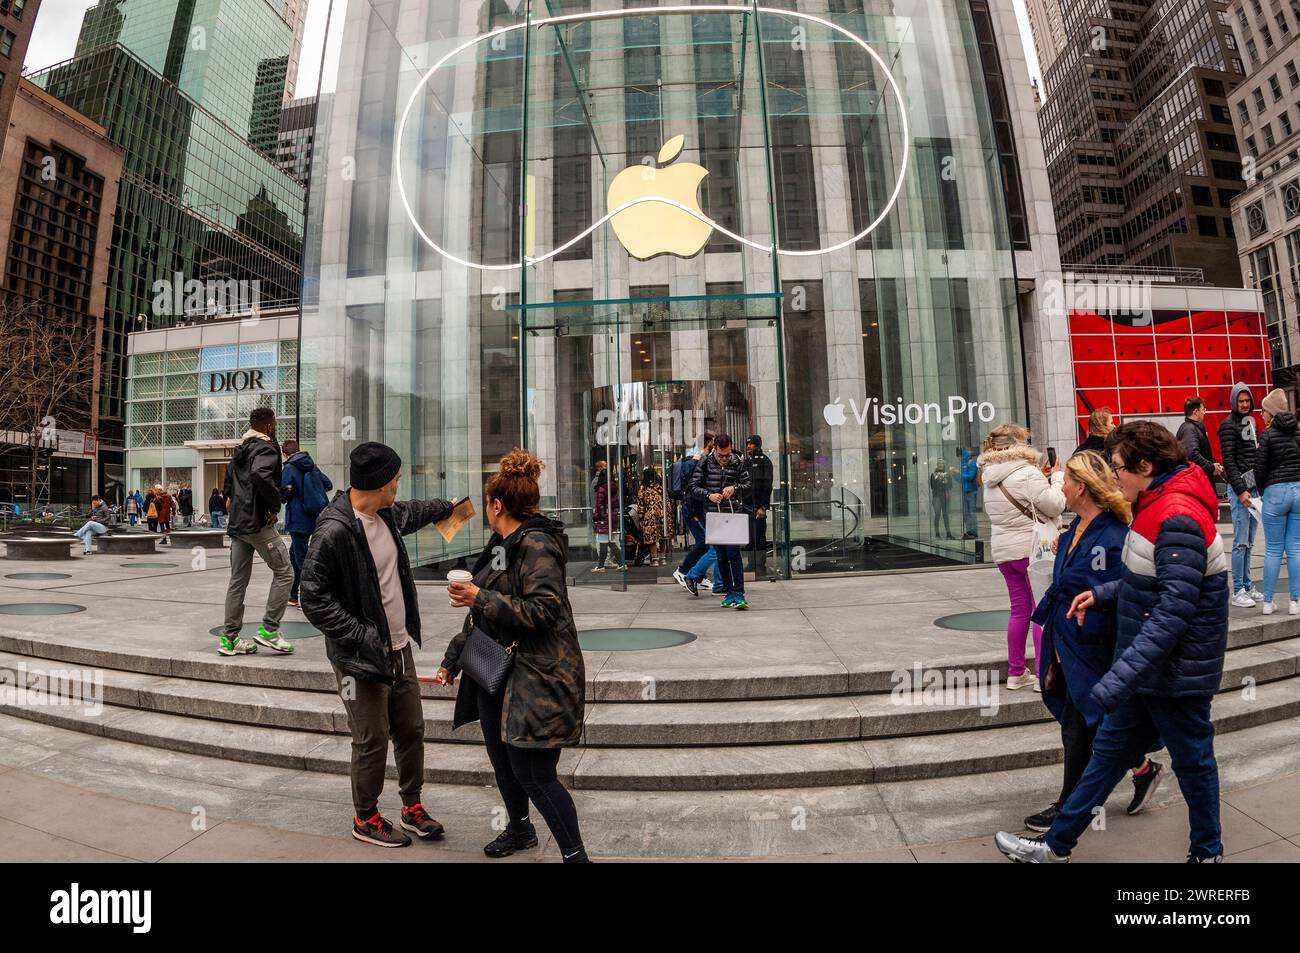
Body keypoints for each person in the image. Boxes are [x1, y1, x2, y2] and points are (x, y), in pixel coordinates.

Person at [996, 421, 1229, 863]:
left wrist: (1117, 677)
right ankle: (1054, 846)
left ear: (1145, 465)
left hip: (1174, 672)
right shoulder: (1157, 504)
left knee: (1194, 762)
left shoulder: (1175, 513)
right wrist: (1103, 593)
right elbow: (1153, 582)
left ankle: (1207, 853)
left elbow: (1173, 609)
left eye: (1118, 466)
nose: (1114, 476)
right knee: (1106, 756)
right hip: (1152, 669)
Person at [434, 450, 589, 863]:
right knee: (503, 761)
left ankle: (576, 856)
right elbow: (485, 618)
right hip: (496, 671)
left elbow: (543, 612)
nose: (485, 511)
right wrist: (453, 660)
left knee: (535, 774)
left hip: (537, 677)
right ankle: (520, 830)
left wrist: (479, 596)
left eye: (486, 505)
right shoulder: (504, 543)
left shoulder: (536, 545)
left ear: (497, 505)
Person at [300, 441, 453, 848]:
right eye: (396, 480)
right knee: (371, 738)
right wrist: (363, 636)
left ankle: (411, 807)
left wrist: (447, 506)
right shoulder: (334, 530)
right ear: (381, 483)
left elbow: (414, 512)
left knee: (411, 730)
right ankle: (365, 817)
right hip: (360, 658)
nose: (399, 486)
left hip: (398, 648)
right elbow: (313, 598)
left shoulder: (385, 513)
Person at [1022, 451, 1164, 833]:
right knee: (1089, 722)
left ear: (1081, 487)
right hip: (1067, 642)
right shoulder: (1073, 531)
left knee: (1080, 725)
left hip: (1095, 646)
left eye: (1066, 480)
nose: (1062, 486)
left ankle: (1069, 808)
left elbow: (1135, 588)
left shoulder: (1116, 535)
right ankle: (1144, 769)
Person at [978, 424, 1066, 690]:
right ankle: (1042, 674)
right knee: (1042, 611)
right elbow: (1054, 504)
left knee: (1019, 611)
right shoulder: (1027, 473)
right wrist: (1058, 478)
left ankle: (1016, 672)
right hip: (1032, 551)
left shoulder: (990, 477)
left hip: (1005, 552)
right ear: (1018, 444)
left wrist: (1041, 476)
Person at [219, 407, 295, 657]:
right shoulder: (265, 447)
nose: (276, 426)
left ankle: (229, 639)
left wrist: (231, 498)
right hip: (257, 522)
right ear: (269, 424)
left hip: (238, 523)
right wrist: (274, 506)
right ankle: (270, 630)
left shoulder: (241, 448)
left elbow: (229, 480)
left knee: (237, 581)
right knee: (285, 572)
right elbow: (260, 475)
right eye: (274, 422)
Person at [688, 433, 753, 609]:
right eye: (721, 455)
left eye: (727, 455)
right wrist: (709, 495)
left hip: (732, 515)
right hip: (713, 516)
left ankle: (739, 593)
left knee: (734, 555)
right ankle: (729, 591)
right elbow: (693, 487)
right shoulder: (705, 462)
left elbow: (748, 485)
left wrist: (735, 487)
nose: (724, 459)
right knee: (721, 556)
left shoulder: (737, 461)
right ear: (714, 448)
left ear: (731, 448)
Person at [1253, 388, 1300, 615]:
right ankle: (1294, 602)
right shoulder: (1298, 432)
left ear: (1271, 412)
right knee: (1295, 548)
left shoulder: (1268, 435)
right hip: (1298, 491)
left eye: (1263, 410)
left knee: (1273, 549)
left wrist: (1263, 492)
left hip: (1276, 491)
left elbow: (1260, 468)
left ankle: (1268, 602)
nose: (1261, 414)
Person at [1219, 382, 1264, 607]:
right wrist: (1241, 491)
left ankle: (1247, 584)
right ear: (1234, 402)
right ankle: (1238, 589)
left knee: (1249, 542)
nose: (1245, 404)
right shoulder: (1228, 425)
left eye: (1247, 401)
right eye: (1241, 401)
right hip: (1241, 490)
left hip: (1253, 487)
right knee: (1240, 543)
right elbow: (1229, 461)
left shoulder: (1252, 422)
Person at [281, 438, 334, 608]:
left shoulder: (289, 467)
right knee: (294, 556)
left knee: (302, 559)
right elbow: (328, 484)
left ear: (285, 453)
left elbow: (285, 493)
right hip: (312, 516)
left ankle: (311, 598)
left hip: (297, 518)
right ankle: (292, 595)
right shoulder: (310, 465)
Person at [672, 436, 721, 596]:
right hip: (695, 509)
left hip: (698, 509)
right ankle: (687, 572)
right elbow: (692, 488)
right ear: (709, 444)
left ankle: (695, 575)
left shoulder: (699, 460)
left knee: (705, 543)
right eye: (714, 443)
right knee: (710, 544)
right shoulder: (697, 461)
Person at [744, 435, 774, 572]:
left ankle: (760, 565)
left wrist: (763, 507)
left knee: (759, 536)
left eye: (752, 444)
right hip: (747, 505)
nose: (749, 446)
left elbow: (767, 486)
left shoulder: (765, 462)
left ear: (758, 445)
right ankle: (751, 563)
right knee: (749, 536)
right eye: (748, 444)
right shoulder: (746, 462)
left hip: (758, 506)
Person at [1177, 396, 1220, 484]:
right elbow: (1192, 454)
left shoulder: (1190, 428)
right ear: (1196, 412)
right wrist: (1211, 467)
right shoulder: (1190, 429)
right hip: (1197, 482)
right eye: (1203, 410)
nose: (1205, 413)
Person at [591, 461, 624, 572]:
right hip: (612, 515)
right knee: (609, 541)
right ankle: (620, 564)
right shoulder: (614, 487)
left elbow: (599, 505)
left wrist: (595, 517)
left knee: (604, 541)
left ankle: (601, 566)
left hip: (603, 517)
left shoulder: (602, 488)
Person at [636, 465, 671, 566]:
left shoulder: (644, 488)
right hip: (663, 513)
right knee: (663, 536)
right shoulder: (660, 486)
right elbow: (667, 501)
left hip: (650, 515)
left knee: (652, 538)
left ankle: (655, 559)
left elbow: (641, 505)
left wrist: (641, 518)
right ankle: (663, 558)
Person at [958, 446, 980, 539]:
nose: (959, 458)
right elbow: (961, 479)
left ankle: (973, 532)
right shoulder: (964, 464)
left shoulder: (972, 463)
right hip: (965, 491)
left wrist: (958, 474)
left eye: (960, 456)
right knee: (966, 513)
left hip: (971, 491)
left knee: (971, 512)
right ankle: (969, 531)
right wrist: (955, 474)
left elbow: (970, 477)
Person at [929, 460, 954, 539]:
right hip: (936, 497)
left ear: (943, 465)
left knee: (946, 515)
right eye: (939, 464)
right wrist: (938, 479)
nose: (940, 465)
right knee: (937, 515)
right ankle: (937, 534)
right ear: (937, 465)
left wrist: (944, 480)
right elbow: (933, 486)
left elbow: (950, 486)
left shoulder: (947, 474)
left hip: (945, 498)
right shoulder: (933, 475)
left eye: (942, 464)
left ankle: (948, 534)